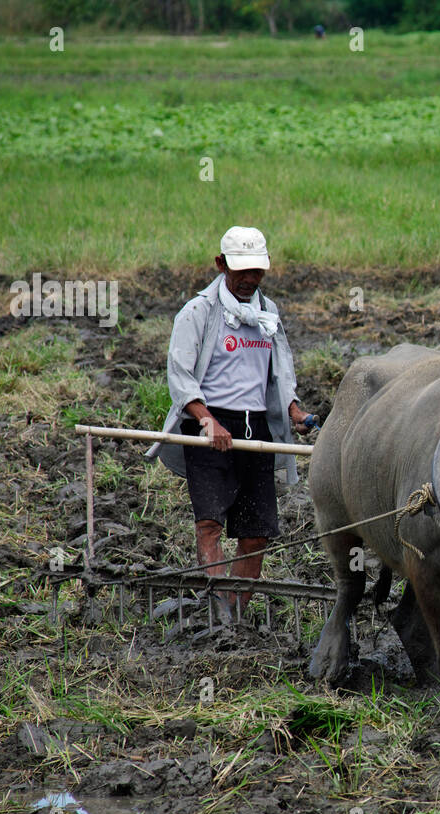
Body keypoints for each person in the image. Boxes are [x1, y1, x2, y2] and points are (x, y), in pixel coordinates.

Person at [147, 226, 314, 621]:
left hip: (255, 427)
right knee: (209, 524)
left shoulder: (267, 313)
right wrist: (208, 422)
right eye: (242, 271)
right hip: (208, 425)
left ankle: (234, 616)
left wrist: (294, 412)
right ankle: (219, 613)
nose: (250, 280)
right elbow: (180, 375)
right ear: (221, 264)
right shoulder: (199, 312)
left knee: (257, 531)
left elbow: (281, 369)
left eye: (257, 271)